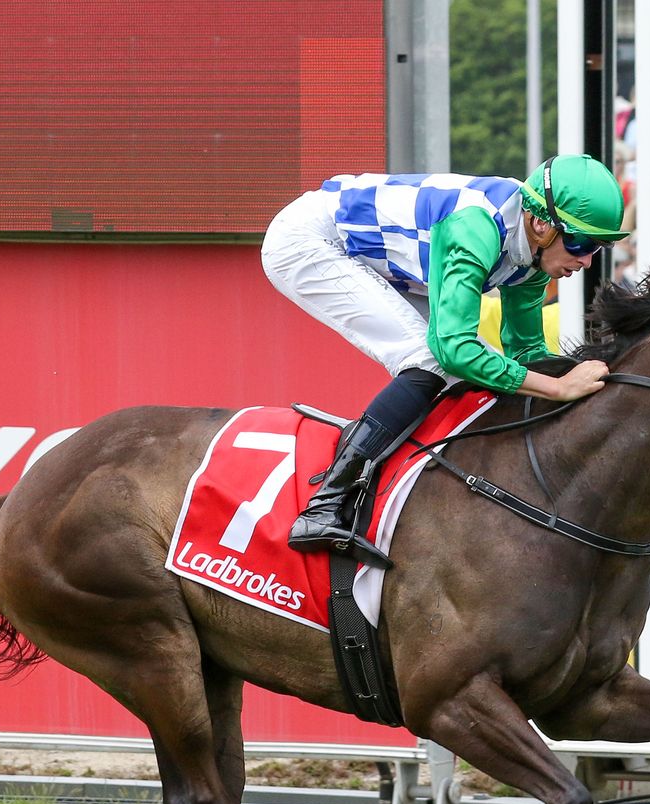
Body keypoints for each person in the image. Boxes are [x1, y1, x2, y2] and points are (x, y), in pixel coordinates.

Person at [261, 154, 628, 568]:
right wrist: (559, 387)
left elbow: (526, 354)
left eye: (599, 247)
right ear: (541, 224)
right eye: (581, 244)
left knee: (469, 375)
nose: (587, 261)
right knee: (433, 361)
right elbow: (453, 349)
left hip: (380, 260)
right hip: (310, 241)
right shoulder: (476, 227)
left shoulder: (534, 253)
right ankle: (325, 505)